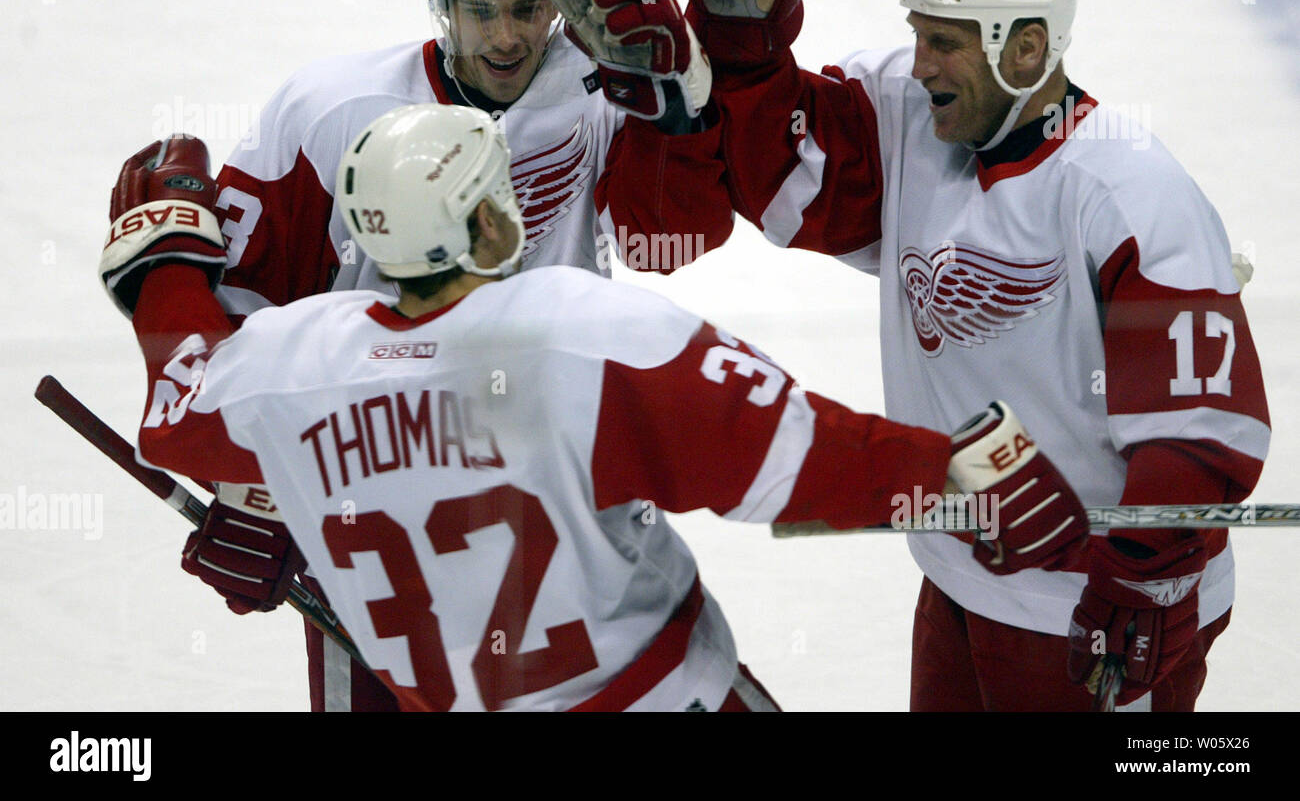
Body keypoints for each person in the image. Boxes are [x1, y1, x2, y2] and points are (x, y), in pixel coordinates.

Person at [96, 105, 1089, 711]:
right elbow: (798, 459)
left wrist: (161, 266)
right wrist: (961, 481)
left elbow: (182, 401)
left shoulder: (292, 364)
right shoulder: (578, 335)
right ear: (487, 219)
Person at [570, 0, 1271, 710]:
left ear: (1027, 47)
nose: (922, 64)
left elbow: (1202, 429)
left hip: (1090, 608)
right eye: (919, 34)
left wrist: (1144, 578)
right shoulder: (913, 120)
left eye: (945, 42)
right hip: (962, 576)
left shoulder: (1127, 191)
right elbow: (792, 190)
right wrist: (746, 55)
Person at [184, 0, 728, 710]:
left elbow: (668, 242)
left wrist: (682, 103)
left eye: (528, 6)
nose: (508, 37)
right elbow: (245, 306)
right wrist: (256, 489)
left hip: (556, 474)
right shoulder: (332, 109)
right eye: (482, 8)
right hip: (377, 473)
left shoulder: (600, 89)